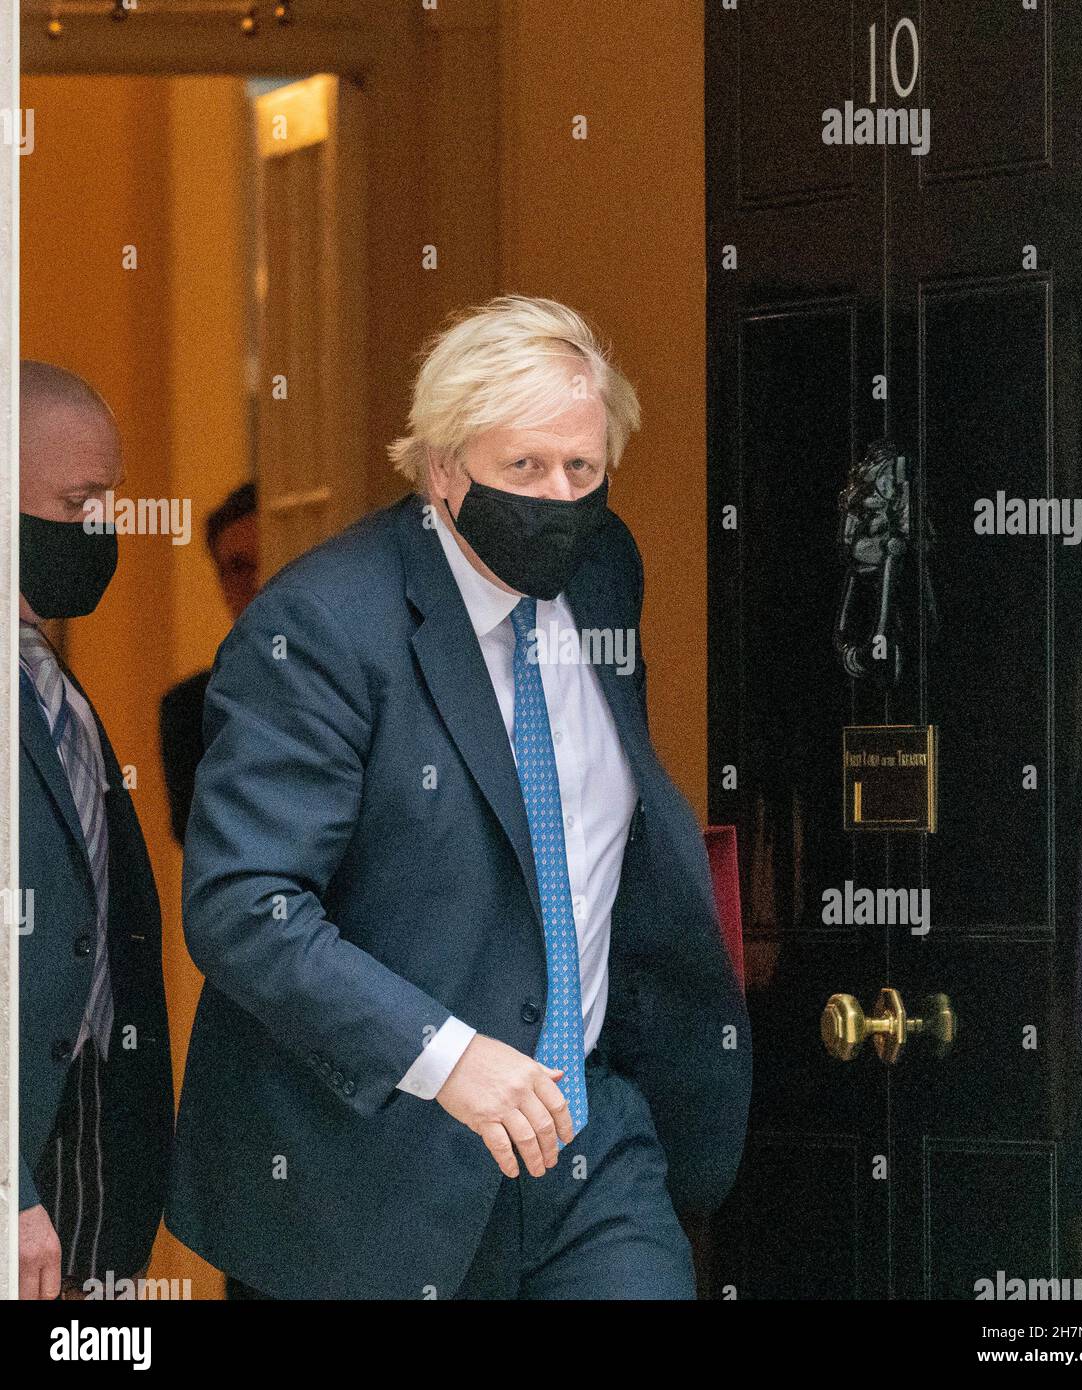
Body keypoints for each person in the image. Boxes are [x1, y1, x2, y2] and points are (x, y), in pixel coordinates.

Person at [165, 295, 751, 1299]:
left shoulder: (603, 572)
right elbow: (242, 907)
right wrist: (449, 1058)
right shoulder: (321, 626)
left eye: (583, 469)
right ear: (442, 468)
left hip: (589, 1137)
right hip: (379, 1167)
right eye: (522, 468)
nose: (557, 498)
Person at [17, 362, 173, 1300]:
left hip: (84, 1166)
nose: (102, 529)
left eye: (108, 500)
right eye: (79, 502)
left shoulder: (51, 683)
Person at [158, 482, 258, 845]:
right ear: (221, 581)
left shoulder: (350, 681)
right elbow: (199, 834)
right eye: (239, 567)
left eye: (267, 559)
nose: (258, 581)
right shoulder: (190, 708)